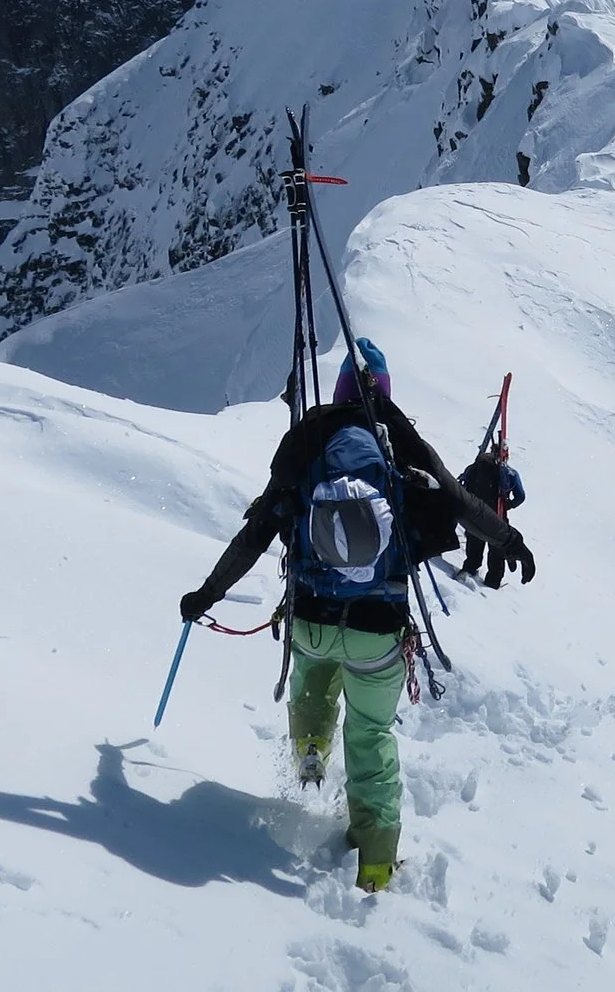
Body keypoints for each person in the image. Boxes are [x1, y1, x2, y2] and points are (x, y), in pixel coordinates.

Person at [180, 339, 535, 893]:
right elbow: (460, 505)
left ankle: (310, 750)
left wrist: (207, 593)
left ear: (342, 389)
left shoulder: (311, 449)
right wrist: (509, 540)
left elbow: (254, 536)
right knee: (371, 736)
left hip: (311, 622)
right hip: (379, 633)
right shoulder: (400, 454)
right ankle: (374, 868)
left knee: (312, 685)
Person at [458, 442, 527, 588]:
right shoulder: (510, 473)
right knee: (497, 550)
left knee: (474, 545)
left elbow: (463, 481)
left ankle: (469, 569)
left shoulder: (476, 466)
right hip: (497, 515)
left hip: (476, 512)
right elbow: (520, 496)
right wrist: (508, 504)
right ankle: (493, 582)